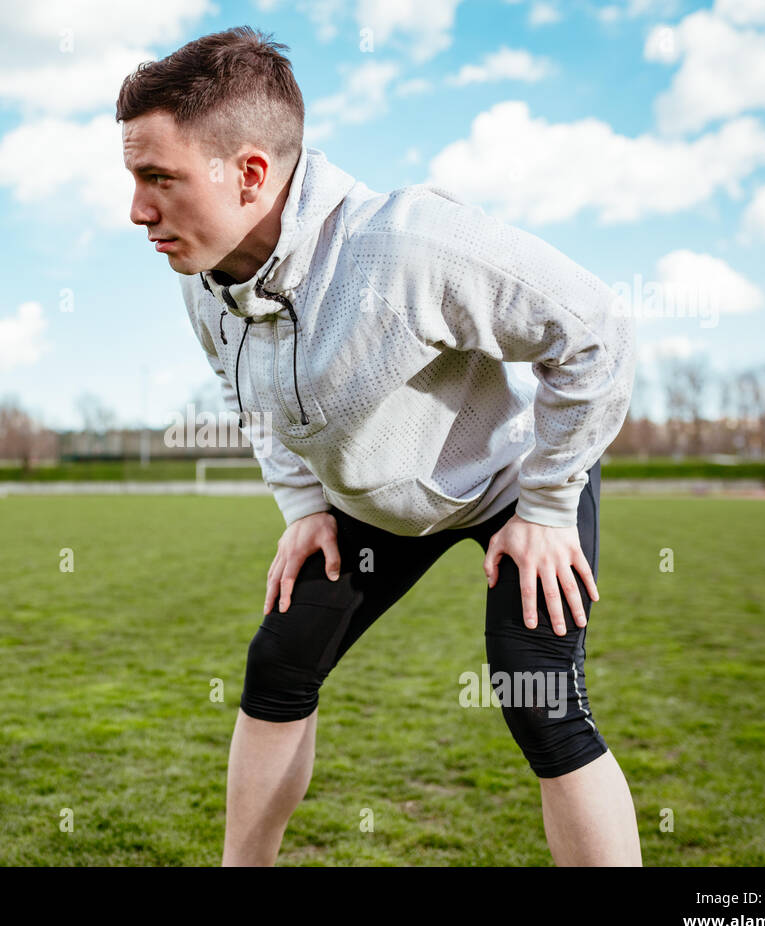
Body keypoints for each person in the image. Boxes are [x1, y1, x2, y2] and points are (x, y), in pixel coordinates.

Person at [118, 26, 641, 867]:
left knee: (536, 693)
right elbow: (255, 399)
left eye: (158, 178)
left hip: (514, 485)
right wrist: (302, 507)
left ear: (249, 172)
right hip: (372, 504)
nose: (137, 210)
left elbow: (595, 331)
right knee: (279, 663)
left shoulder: (403, 245)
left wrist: (546, 506)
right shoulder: (205, 281)